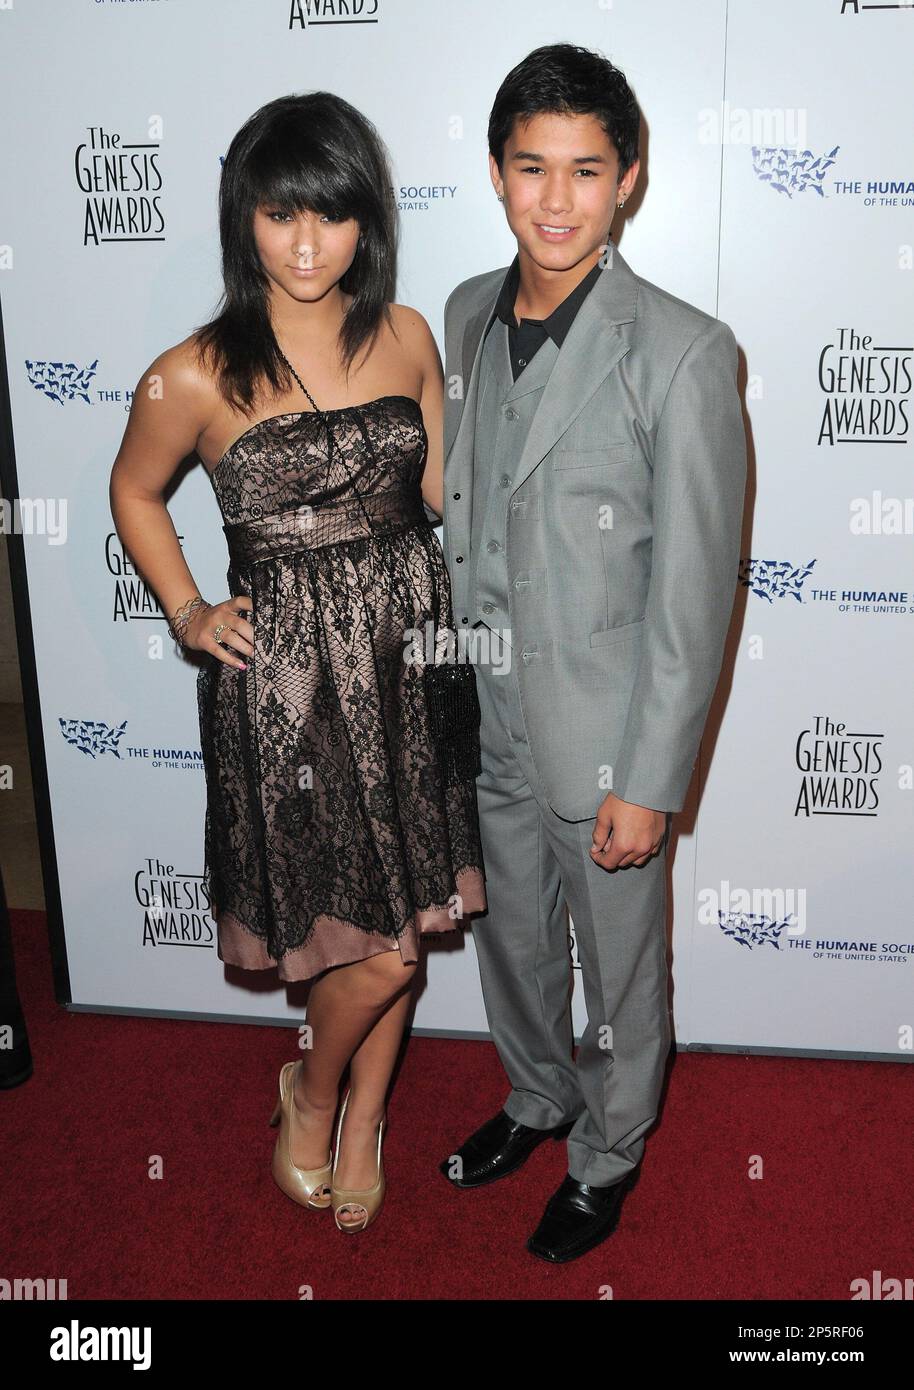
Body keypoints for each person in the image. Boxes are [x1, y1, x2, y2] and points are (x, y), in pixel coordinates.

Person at [109, 91, 486, 1234]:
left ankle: (354, 1113)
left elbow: (441, 499)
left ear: (366, 219)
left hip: (409, 663)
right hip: (290, 691)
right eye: (280, 215)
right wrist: (183, 609)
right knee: (369, 942)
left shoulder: (409, 335)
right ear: (246, 222)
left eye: (331, 214)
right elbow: (133, 491)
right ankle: (312, 1095)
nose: (308, 242)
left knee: (406, 932)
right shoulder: (193, 372)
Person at [438, 44, 747, 1262]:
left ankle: (607, 1150)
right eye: (530, 168)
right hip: (484, 710)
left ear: (627, 180)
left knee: (618, 968)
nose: (554, 199)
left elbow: (692, 594)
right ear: (498, 174)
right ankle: (534, 1096)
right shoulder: (462, 314)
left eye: (583, 170)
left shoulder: (680, 348)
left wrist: (648, 777)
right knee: (510, 936)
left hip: (605, 732)